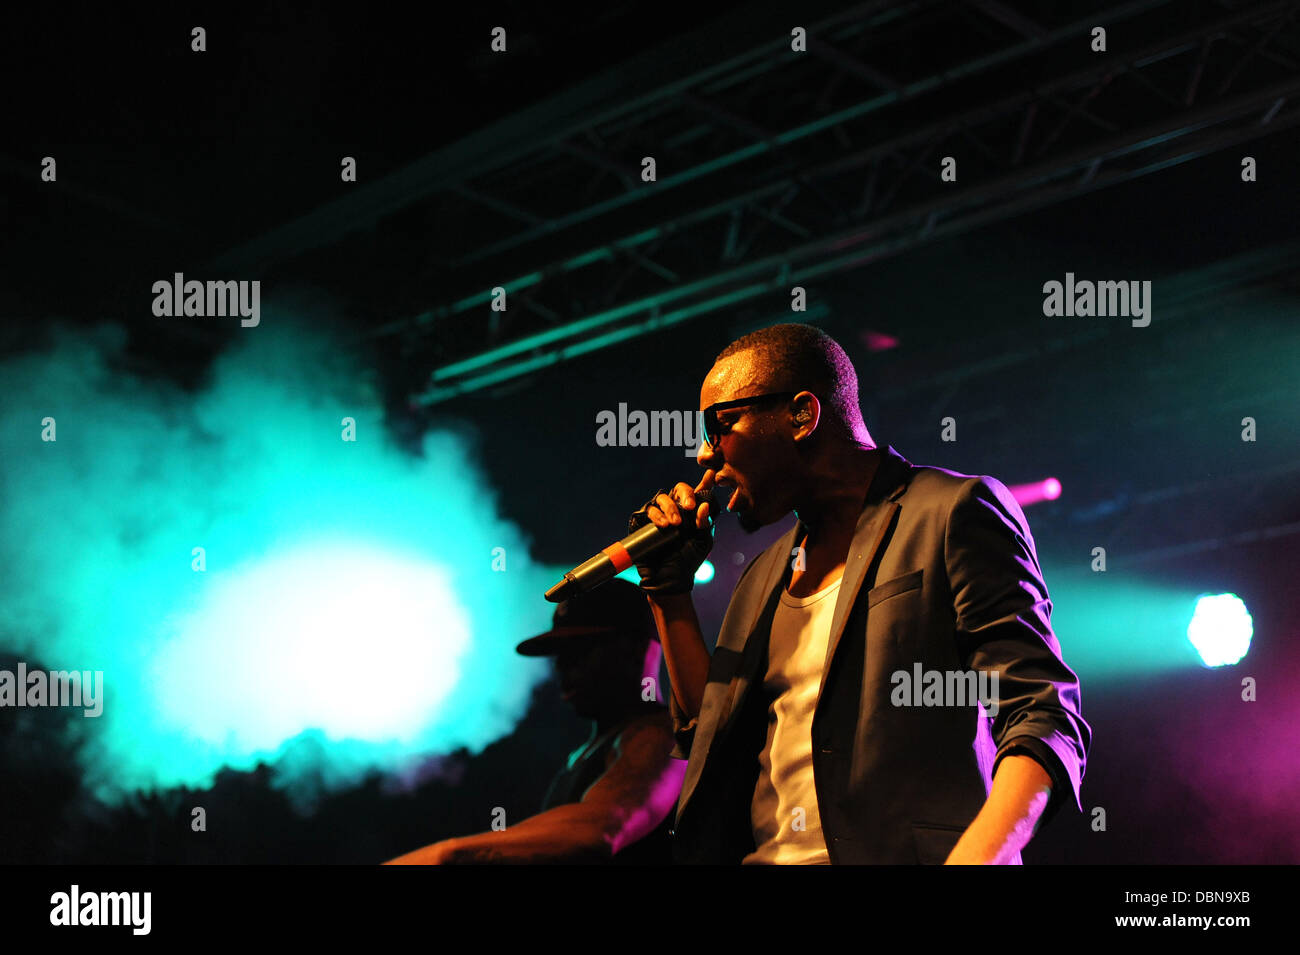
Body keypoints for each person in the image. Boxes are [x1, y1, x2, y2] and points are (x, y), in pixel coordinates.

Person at [630, 322, 1091, 864]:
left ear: (802, 415)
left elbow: (1044, 716)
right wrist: (668, 592)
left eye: (720, 424)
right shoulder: (763, 576)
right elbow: (704, 740)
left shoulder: (950, 511)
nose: (706, 456)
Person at [384, 580, 685, 864]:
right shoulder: (598, 748)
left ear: (634, 649)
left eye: (579, 651)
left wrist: (445, 855)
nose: (561, 667)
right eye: (558, 655)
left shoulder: (657, 739)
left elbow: (599, 829)